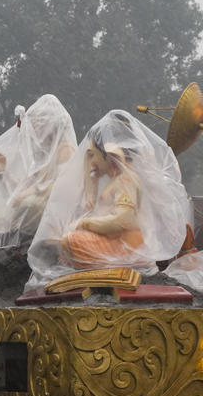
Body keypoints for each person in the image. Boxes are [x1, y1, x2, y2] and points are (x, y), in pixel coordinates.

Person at [26, 110, 190, 289]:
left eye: (93, 155)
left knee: (70, 241)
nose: (90, 162)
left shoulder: (126, 179)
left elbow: (122, 221)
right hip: (117, 238)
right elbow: (96, 208)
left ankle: (112, 261)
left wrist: (86, 224)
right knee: (66, 239)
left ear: (111, 154)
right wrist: (92, 182)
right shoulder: (116, 179)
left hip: (128, 243)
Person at [0, 94, 77, 249]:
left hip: (53, 225)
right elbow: (18, 192)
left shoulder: (65, 150)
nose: (34, 129)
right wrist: (2, 173)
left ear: (50, 124)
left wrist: (32, 192)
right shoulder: (44, 158)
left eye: (38, 123)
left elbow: (63, 186)